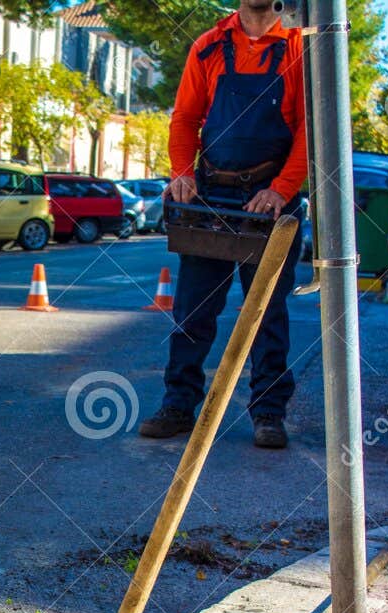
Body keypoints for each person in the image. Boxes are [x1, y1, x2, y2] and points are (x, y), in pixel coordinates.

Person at [138, 0, 307, 449]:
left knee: (267, 314)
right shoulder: (209, 48)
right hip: (212, 198)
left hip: (269, 201)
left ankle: (268, 413)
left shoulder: (299, 50)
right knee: (193, 310)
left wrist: (282, 189)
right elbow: (185, 118)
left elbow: (314, 130)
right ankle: (178, 405)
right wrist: (182, 174)